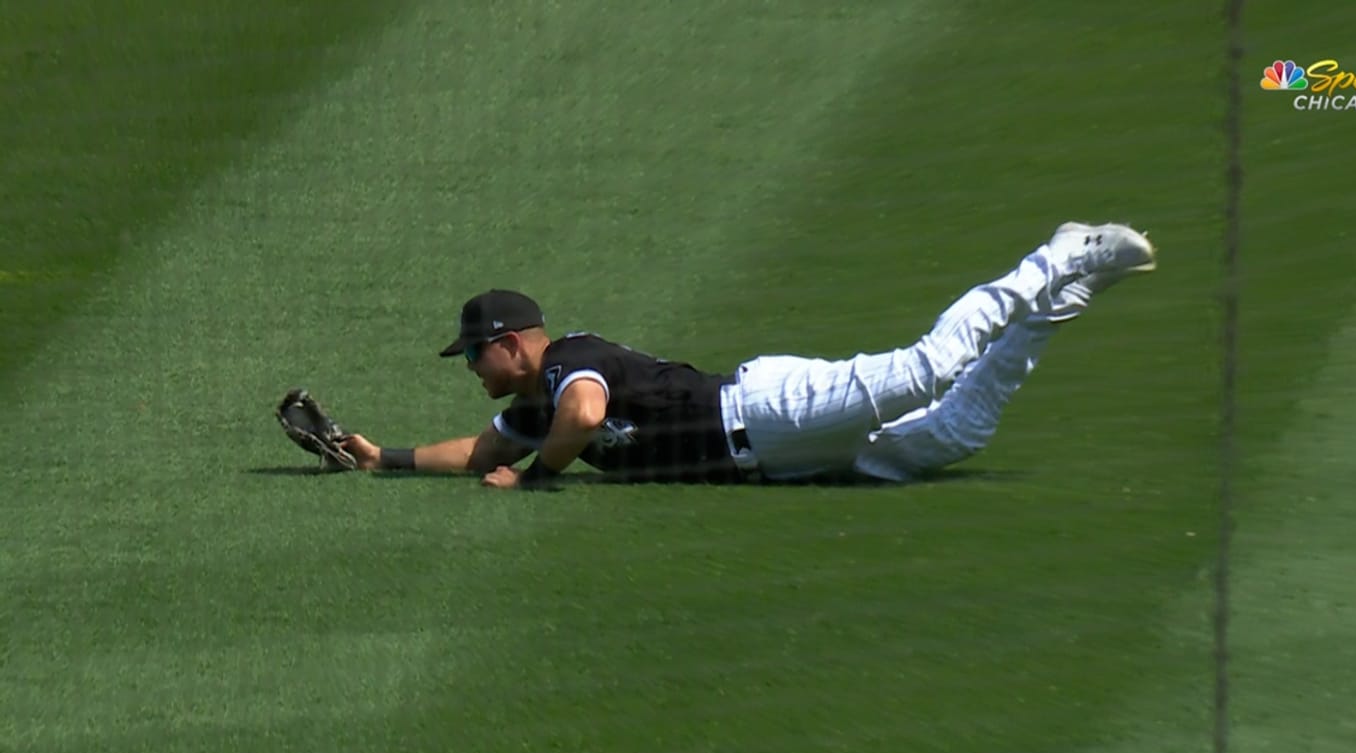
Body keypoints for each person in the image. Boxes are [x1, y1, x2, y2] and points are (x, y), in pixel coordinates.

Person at [340, 221, 1157, 489]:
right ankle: (1070, 293)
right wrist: (389, 459)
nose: (472, 369)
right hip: (781, 460)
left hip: (763, 413)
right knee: (958, 432)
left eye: (475, 355)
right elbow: (484, 447)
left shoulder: (569, 365)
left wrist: (536, 476)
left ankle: (1055, 256)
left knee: (926, 370)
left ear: (513, 345)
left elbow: (583, 417)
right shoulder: (530, 406)